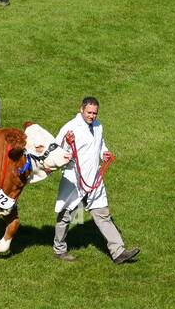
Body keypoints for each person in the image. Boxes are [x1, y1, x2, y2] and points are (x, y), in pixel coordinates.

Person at [52, 96, 140, 264]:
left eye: (94, 113)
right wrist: (68, 156)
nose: (92, 116)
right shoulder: (70, 128)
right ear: (81, 110)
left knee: (102, 214)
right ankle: (59, 250)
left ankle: (118, 252)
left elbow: (100, 145)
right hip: (74, 179)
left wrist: (104, 153)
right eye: (89, 112)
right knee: (66, 216)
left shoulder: (98, 126)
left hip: (95, 179)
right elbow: (56, 150)